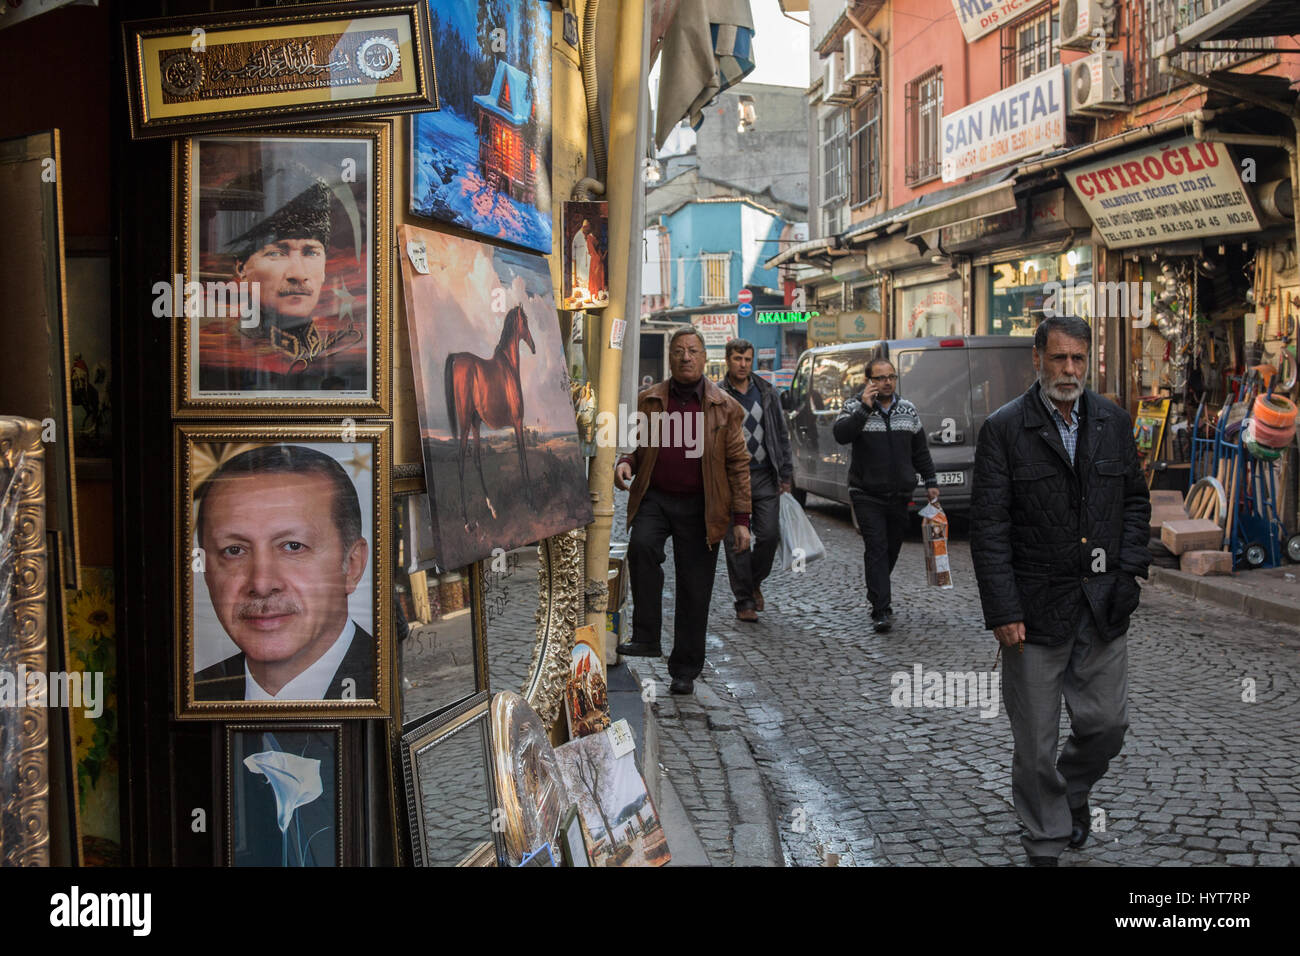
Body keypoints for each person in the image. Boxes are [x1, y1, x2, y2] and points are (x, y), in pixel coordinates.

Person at [970, 315, 1150, 867]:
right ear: (1037, 360)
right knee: (1035, 745)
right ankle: (1045, 841)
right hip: (1033, 613)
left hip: (1101, 607)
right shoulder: (1005, 429)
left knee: (1107, 725)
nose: (1069, 370)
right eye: (1059, 359)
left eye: (1078, 359)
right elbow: (989, 526)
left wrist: (1127, 575)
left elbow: (1136, 506)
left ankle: (1072, 792)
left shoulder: (1114, 423)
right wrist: (1003, 608)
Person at [614, 327, 752, 696]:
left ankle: (685, 669)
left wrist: (741, 520)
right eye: (678, 351)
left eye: (692, 351)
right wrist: (626, 461)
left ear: (705, 358)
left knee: (695, 588)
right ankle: (646, 635)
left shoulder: (725, 407)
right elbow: (636, 445)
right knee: (641, 547)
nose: (685, 357)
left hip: (702, 506)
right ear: (670, 357)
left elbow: (739, 465)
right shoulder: (650, 400)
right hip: (656, 498)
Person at [193, 444, 375, 702]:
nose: (262, 583)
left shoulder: (386, 686)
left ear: (352, 566)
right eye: (234, 550)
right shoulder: (189, 698)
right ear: (207, 572)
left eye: (293, 546)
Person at [832, 355, 939, 633]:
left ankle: (876, 587)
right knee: (877, 548)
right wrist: (864, 410)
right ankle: (881, 608)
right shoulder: (854, 407)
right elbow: (841, 434)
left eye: (890, 377)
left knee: (892, 547)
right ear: (869, 382)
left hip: (900, 493)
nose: (886, 382)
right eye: (879, 378)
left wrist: (930, 480)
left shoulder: (908, 410)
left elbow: (920, 450)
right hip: (866, 492)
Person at [717, 338, 792, 622]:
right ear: (728, 360)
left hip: (763, 474)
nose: (743, 364)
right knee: (737, 541)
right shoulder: (717, 394)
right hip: (730, 480)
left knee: (769, 535)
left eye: (747, 359)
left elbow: (781, 434)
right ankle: (744, 601)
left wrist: (786, 473)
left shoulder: (767, 392)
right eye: (737, 358)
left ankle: (754, 581)